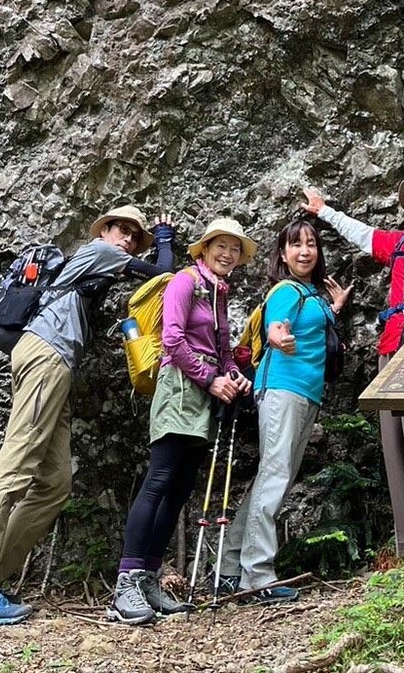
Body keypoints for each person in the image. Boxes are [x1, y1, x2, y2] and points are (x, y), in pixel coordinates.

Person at [0, 203, 174, 625]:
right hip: (46, 354)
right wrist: (163, 239)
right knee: (17, 464)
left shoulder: (98, 264)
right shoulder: (100, 252)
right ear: (104, 231)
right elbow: (162, 273)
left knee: (54, 484)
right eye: (121, 230)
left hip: (56, 363)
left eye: (134, 236)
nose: (127, 240)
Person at [302, 166, 404, 563]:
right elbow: (361, 234)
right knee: (396, 446)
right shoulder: (398, 243)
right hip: (393, 347)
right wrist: (323, 210)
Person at [109, 216, 254, 625]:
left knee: (180, 488)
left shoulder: (218, 292)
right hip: (180, 386)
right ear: (204, 249)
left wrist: (232, 374)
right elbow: (172, 339)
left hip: (205, 391)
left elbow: (222, 350)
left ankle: (149, 578)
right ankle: (126, 583)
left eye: (235, 249)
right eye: (221, 246)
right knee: (160, 479)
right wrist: (211, 379)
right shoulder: (185, 282)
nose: (228, 254)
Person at [218, 216, 352, 601]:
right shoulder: (285, 291)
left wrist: (335, 308)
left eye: (311, 244)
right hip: (281, 389)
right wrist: (279, 338)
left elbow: (312, 328)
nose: (305, 251)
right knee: (275, 477)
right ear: (283, 253)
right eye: (296, 244)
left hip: (305, 393)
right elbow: (276, 327)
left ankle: (230, 567)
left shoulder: (311, 294)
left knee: (273, 477)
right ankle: (258, 575)